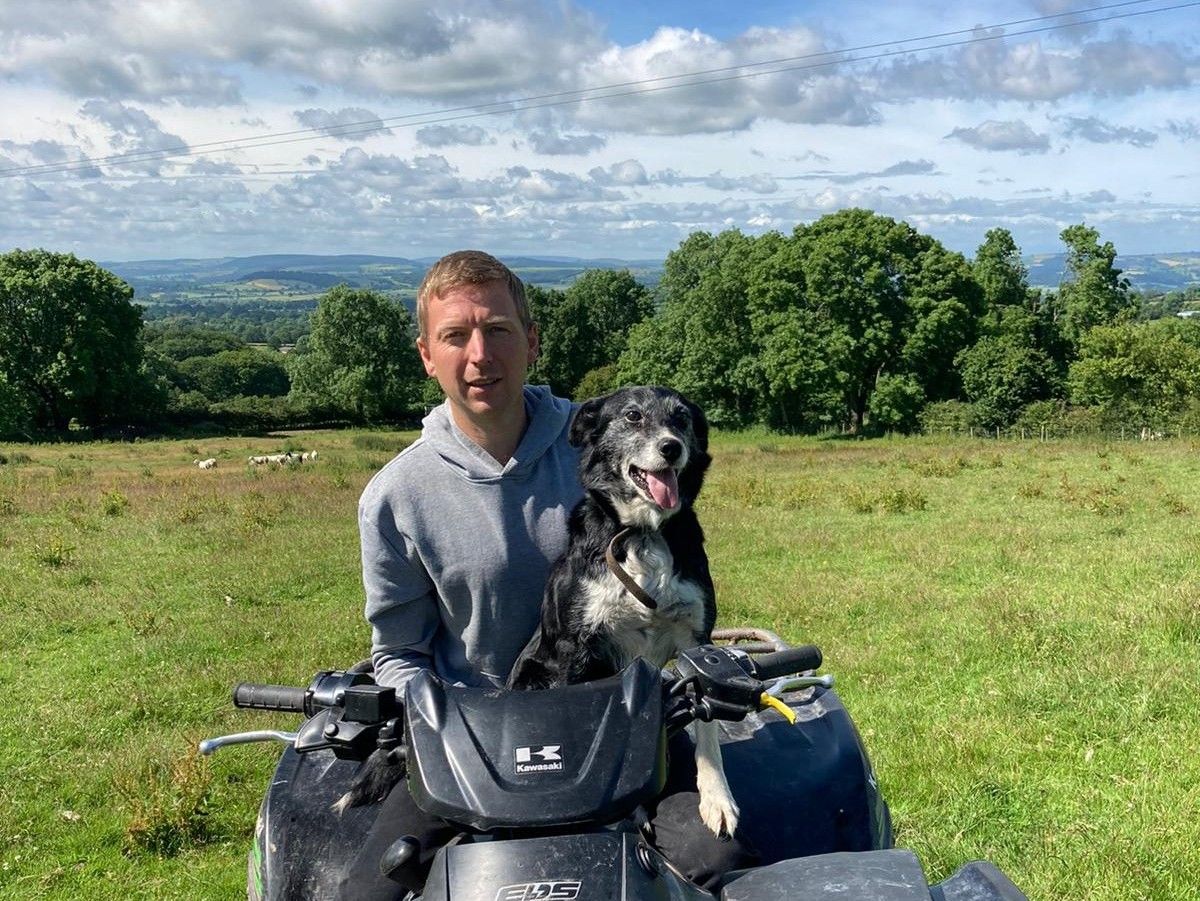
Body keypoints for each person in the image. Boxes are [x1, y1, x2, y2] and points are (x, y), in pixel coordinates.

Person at [338, 251, 753, 900]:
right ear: (427, 355)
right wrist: (437, 724)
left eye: (498, 330)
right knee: (370, 890)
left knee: (715, 861)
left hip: (634, 724)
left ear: (531, 342)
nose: (480, 354)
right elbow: (398, 652)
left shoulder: (611, 437)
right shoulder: (395, 496)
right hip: (472, 735)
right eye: (455, 335)